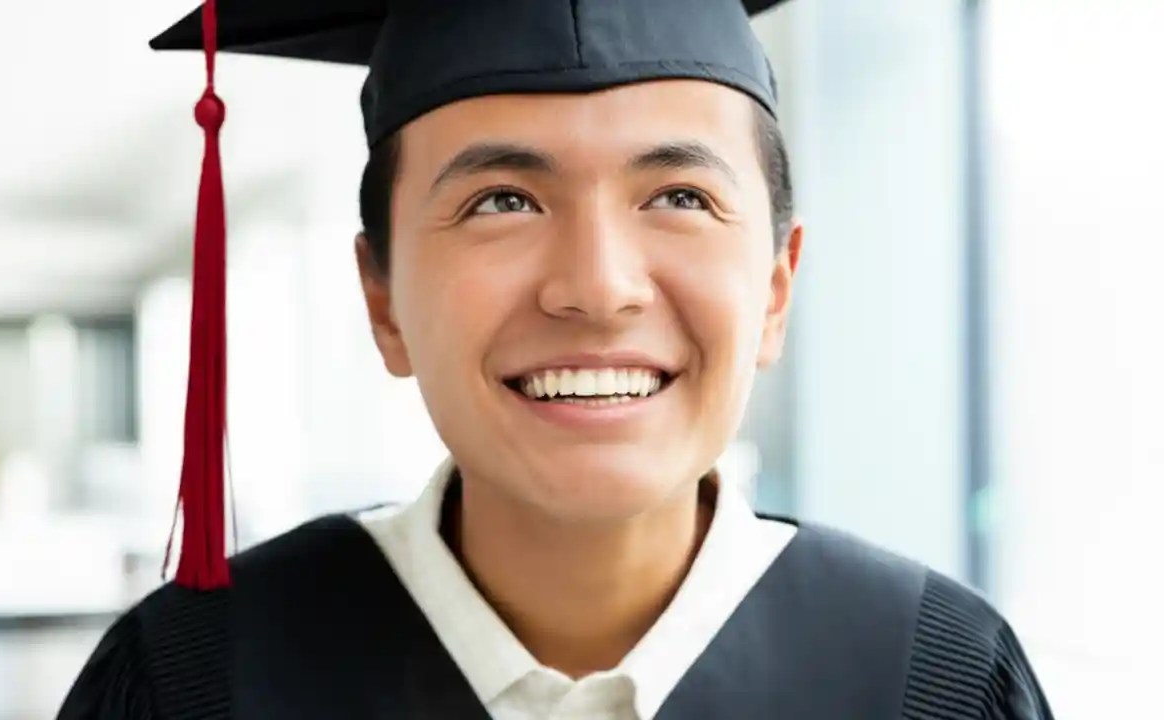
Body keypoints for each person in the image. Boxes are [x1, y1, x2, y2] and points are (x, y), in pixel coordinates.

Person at [59, 0, 1053, 717]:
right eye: (501, 201)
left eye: (677, 197)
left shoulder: (934, 681)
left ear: (775, 290)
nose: (596, 285)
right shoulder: (197, 683)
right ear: (382, 299)